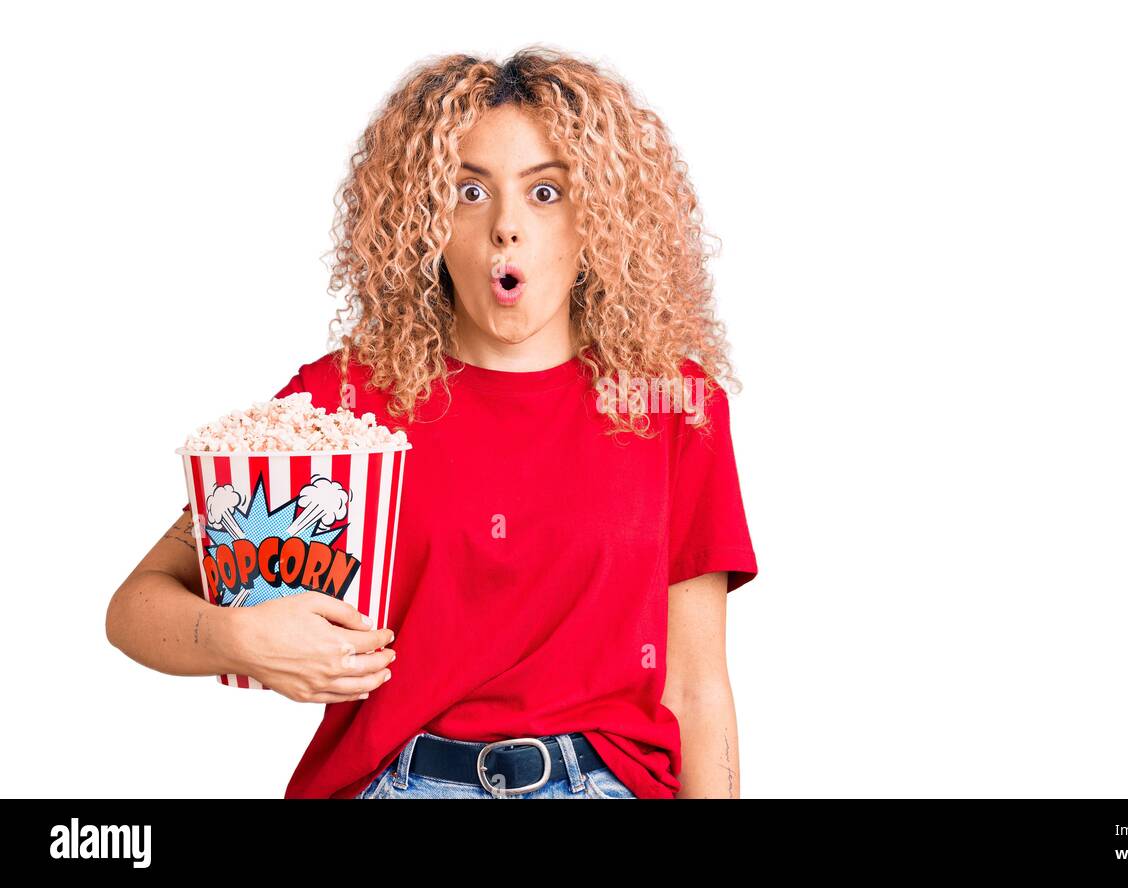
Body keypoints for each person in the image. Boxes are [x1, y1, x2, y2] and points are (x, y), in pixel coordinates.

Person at [106, 46, 757, 800]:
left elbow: (700, 688)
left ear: (598, 219)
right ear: (426, 221)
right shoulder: (337, 406)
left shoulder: (672, 402)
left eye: (546, 191)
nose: (507, 226)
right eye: (469, 191)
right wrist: (238, 638)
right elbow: (137, 604)